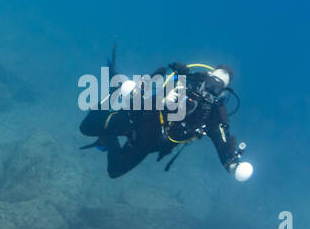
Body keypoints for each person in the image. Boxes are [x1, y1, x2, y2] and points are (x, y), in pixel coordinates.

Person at [80, 61, 252, 181]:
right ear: (206, 76)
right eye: (210, 82)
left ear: (223, 93)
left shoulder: (215, 115)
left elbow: (223, 145)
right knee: (86, 127)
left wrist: (233, 164)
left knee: (114, 170)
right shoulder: (187, 80)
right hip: (138, 118)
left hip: (149, 142)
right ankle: (113, 91)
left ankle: (108, 139)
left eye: (217, 88)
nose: (210, 90)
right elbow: (149, 93)